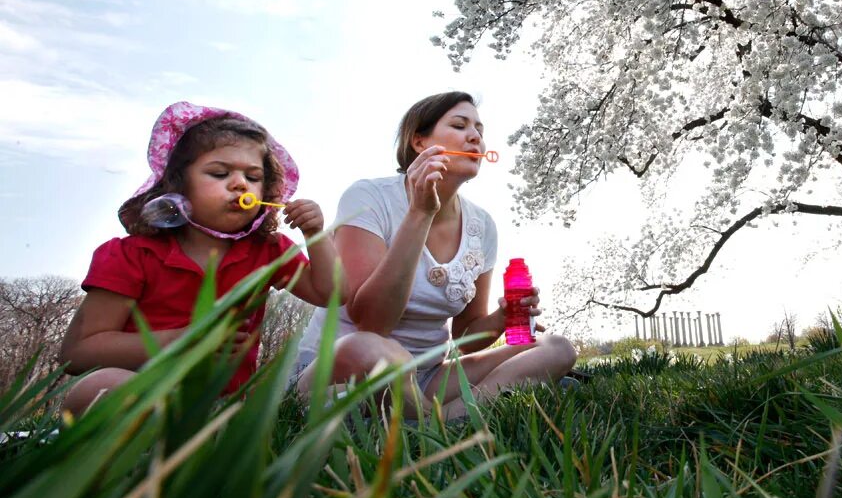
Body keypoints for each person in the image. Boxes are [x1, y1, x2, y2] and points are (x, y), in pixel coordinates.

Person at [292, 91, 576, 420]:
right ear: (419, 142)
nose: (475, 137)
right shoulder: (368, 197)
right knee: (367, 347)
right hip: (348, 367)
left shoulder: (482, 226)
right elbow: (372, 322)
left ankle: (442, 419)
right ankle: (455, 416)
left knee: (557, 348)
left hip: (426, 377)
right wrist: (420, 214)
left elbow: (465, 337)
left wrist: (499, 320)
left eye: (480, 131)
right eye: (460, 125)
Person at [59, 101, 339, 417]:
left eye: (253, 176)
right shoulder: (132, 254)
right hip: (137, 397)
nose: (240, 184)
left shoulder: (267, 250)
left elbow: (329, 294)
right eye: (220, 173)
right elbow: (77, 353)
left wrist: (315, 234)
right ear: (177, 183)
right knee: (99, 387)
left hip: (219, 410)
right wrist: (185, 341)